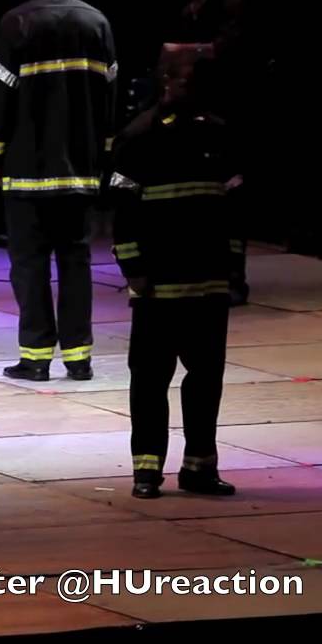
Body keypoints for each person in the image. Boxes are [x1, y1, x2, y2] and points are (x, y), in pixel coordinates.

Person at [0, 0, 118, 382]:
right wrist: (106, 157)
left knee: (29, 263)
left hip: (26, 171)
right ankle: (79, 358)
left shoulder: (16, 22)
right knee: (76, 261)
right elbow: (110, 100)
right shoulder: (97, 21)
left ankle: (36, 357)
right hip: (80, 169)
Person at [109, 52, 237, 500]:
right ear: (164, 81)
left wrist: (233, 272)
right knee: (149, 380)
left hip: (208, 283)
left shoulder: (218, 134)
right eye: (181, 79)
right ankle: (147, 470)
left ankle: (200, 467)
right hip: (158, 286)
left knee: (206, 378)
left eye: (195, 80)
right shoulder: (139, 137)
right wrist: (134, 269)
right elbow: (121, 213)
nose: (187, 87)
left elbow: (234, 210)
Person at [168, 0, 251, 304]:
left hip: (227, 111)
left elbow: (230, 49)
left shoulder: (229, 3)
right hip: (193, 110)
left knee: (230, 195)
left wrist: (187, 52)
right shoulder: (185, 9)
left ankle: (234, 277)